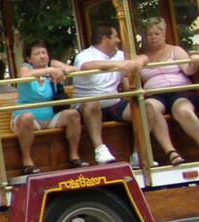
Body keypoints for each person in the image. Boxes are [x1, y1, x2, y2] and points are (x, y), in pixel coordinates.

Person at [138, 17, 199, 163]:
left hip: (181, 91)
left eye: (157, 33)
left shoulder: (175, 50)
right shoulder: (141, 58)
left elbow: (189, 71)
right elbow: (132, 78)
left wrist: (194, 61)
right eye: (150, 34)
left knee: (181, 110)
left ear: (164, 35)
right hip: (155, 95)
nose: (153, 37)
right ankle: (170, 151)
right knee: (149, 108)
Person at [72, 23, 146, 164]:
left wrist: (140, 61)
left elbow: (142, 58)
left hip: (114, 103)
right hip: (86, 109)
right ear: (106, 39)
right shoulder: (85, 55)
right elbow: (86, 66)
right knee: (92, 103)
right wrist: (119, 65)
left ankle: (138, 153)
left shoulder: (118, 55)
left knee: (146, 107)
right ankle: (100, 150)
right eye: (115, 37)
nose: (118, 40)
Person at [12, 41, 84, 174]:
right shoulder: (26, 67)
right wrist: (50, 71)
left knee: (73, 114)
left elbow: (75, 69)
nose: (42, 56)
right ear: (29, 58)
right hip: (27, 119)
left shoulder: (52, 64)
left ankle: (74, 157)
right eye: (37, 53)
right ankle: (27, 162)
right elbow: (24, 76)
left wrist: (60, 71)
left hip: (50, 116)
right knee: (27, 117)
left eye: (44, 52)